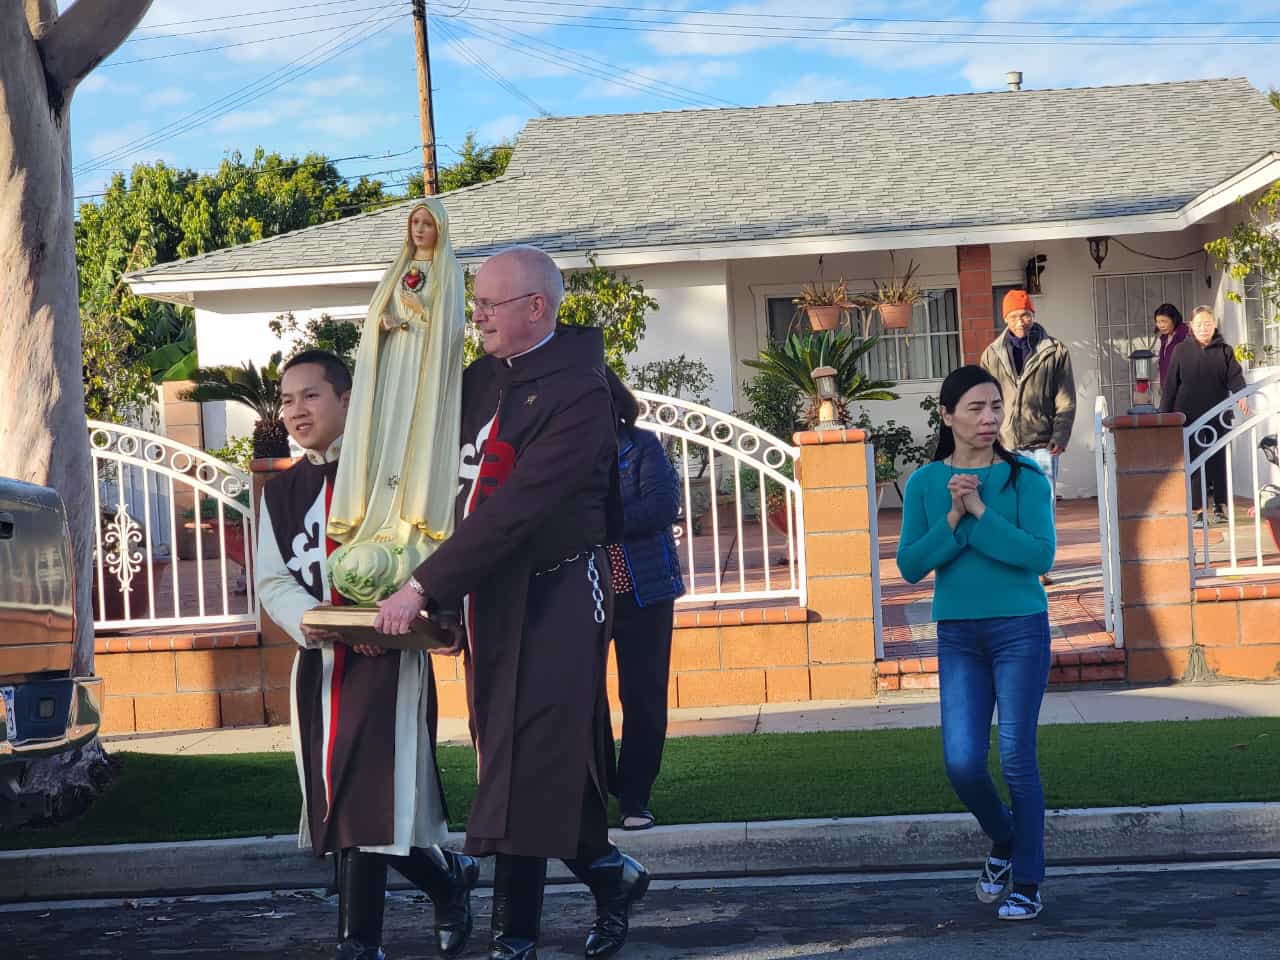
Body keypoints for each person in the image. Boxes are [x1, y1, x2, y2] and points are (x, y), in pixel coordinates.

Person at [374, 245, 650, 960]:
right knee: (531, 754)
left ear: (537, 307)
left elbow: (517, 508)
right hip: (493, 594)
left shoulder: (581, 392)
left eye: (491, 304)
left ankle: (513, 940)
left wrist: (425, 585)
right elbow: (444, 486)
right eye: (477, 304)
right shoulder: (481, 380)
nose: (479, 316)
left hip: (562, 590)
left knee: (523, 758)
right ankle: (610, 874)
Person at [256, 349, 478, 960]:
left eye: (311, 395)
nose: (296, 411)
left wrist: (393, 616)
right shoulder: (281, 493)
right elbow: (273, 580)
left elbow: (428, 553)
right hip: (320, 665)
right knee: (343, 804)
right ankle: (447, 879)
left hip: (389, 661)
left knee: (371, 799)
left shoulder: (392, 480)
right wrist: (318, 622)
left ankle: (359, 944)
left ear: (348, 400)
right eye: (287, 399)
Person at [896, 364, 1056, 922]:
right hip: (959, 634)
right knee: (962, 763)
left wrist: (980, 512)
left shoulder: (1024, 476)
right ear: (947, 416)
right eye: (975, 408)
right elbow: (911, 565)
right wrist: (952, 518)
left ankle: (1028, 881)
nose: (989, 418)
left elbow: (1039, 556)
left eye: (995, 407)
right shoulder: (924, 483)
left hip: (1020, 630)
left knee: (1016, 758)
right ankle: (1006, 838)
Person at [327, 198, 465, 604]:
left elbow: (451, 329)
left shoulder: (449, 271)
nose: (419, 229)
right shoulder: (397, 269)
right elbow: (375, 315)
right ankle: (378, 521)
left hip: (424, 372)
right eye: (415, 222)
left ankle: (410, 524)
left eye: (427, 223)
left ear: (440, 228)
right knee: (388, 434)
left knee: (414, 436)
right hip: (393, 371)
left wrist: (422, 313)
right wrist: (382, 323)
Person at [602, 368, 685, 831]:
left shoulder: (643, 445)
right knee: (580, 697)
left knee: (644, 697)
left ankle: (635, 798)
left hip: (645, 592)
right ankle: (597, 786)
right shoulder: (562, 452)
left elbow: (661, 506)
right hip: (584, 596)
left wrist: (599, 520)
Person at [979, 289, 1074, 585]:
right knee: (1006, 506)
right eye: (1014, 316)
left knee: (1041, 507)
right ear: (1005, 318)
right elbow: (984, 399)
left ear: (1033, 315)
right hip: (1005, 444)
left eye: (1026, 315)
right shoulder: (991, 354)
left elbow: (1065, 398)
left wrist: (1061, 433)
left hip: (1042, 443)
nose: (1021, 321)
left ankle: (1039, 566)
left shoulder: (1054, 351)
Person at [1159, 305, 1249, 526]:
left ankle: (1220, 505)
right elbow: (1170, 386)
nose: (1203, 328)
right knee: (1195, 463)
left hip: (1218, 415)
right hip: (1189, 417)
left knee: (1219, 460)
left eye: (1207, 324)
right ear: (1191, 326)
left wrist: (1241, 394)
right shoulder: (1181, 350)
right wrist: (1164, 416)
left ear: (1214, 325)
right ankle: (1198, 510)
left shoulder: (1225, 351)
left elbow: (1235, 377)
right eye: (1199, 324)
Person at [1154, 302, 1190, 390]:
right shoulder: (1164, 338)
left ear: (1174, 319)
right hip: (1168, 390)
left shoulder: (1185, 336)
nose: (1161, 325)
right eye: (1158, 322)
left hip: (1183, 389)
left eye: (1164, 321)